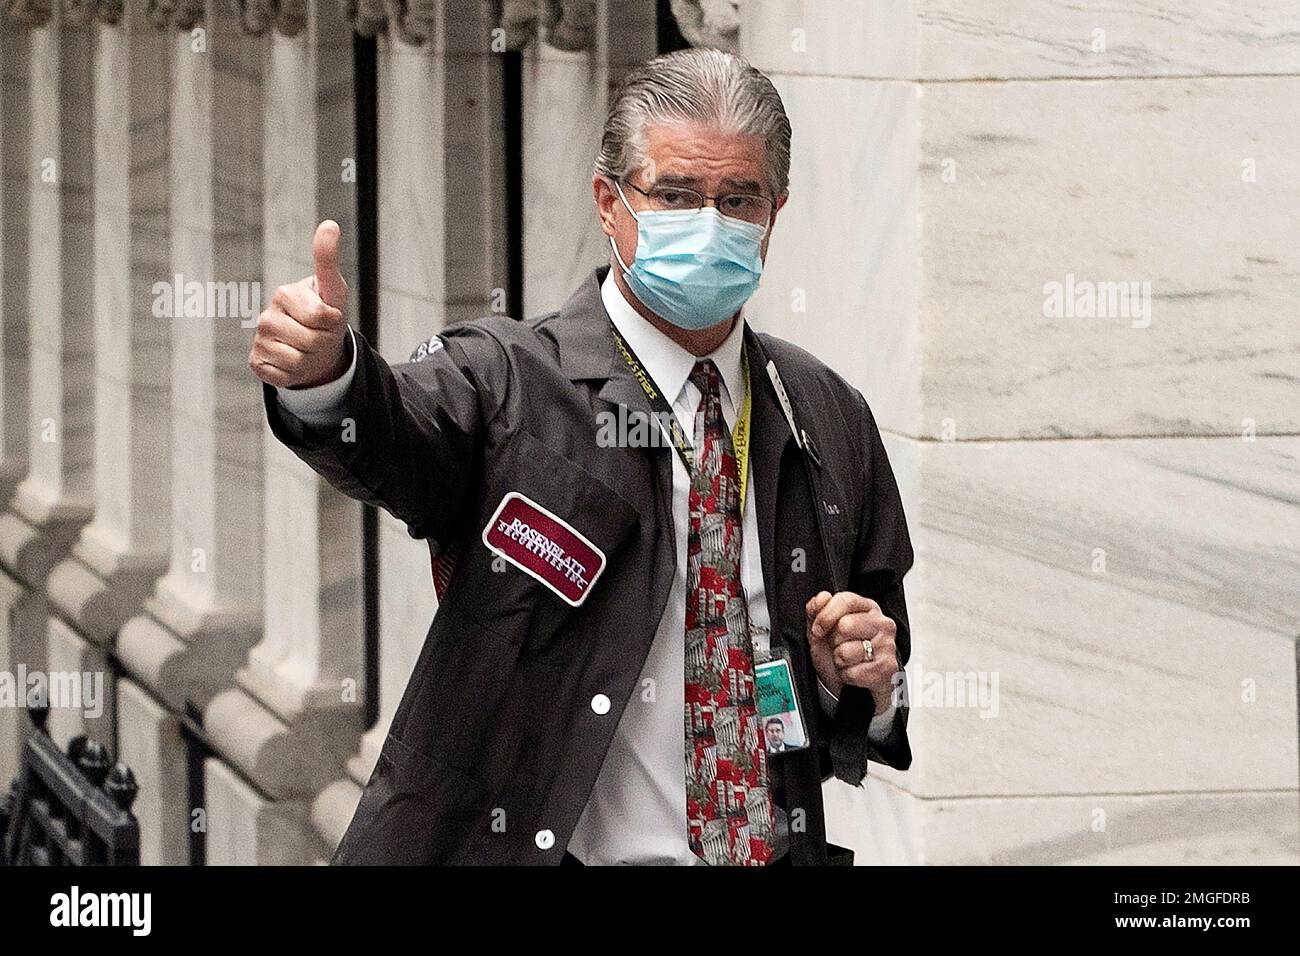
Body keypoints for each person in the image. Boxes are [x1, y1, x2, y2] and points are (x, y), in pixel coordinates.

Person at [249, 47, 913, 866]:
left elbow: (876, 674)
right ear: (609, 202)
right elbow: (398, 436)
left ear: (775, 212)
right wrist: (330, 377)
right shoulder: (510, 380)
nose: (710, 224)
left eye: (737, 200)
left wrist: (859, 683)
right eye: (675, 195)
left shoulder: (824, 411)